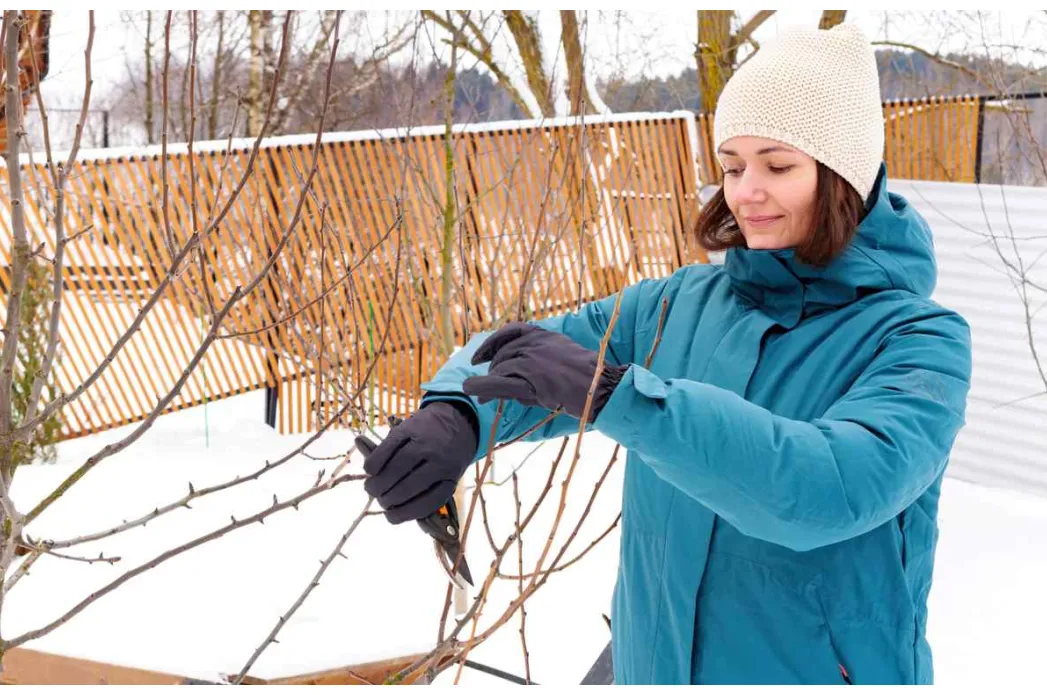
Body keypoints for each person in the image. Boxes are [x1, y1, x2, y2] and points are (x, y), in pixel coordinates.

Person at [362, 23, 971, 685]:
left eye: (777, 165)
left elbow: (826, 489)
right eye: (732, 166)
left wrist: (617, 397)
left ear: (844, 176)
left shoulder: (919, 342)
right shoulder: (678, 305)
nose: (745, 191)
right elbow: (531, 353)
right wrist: (456, 415)